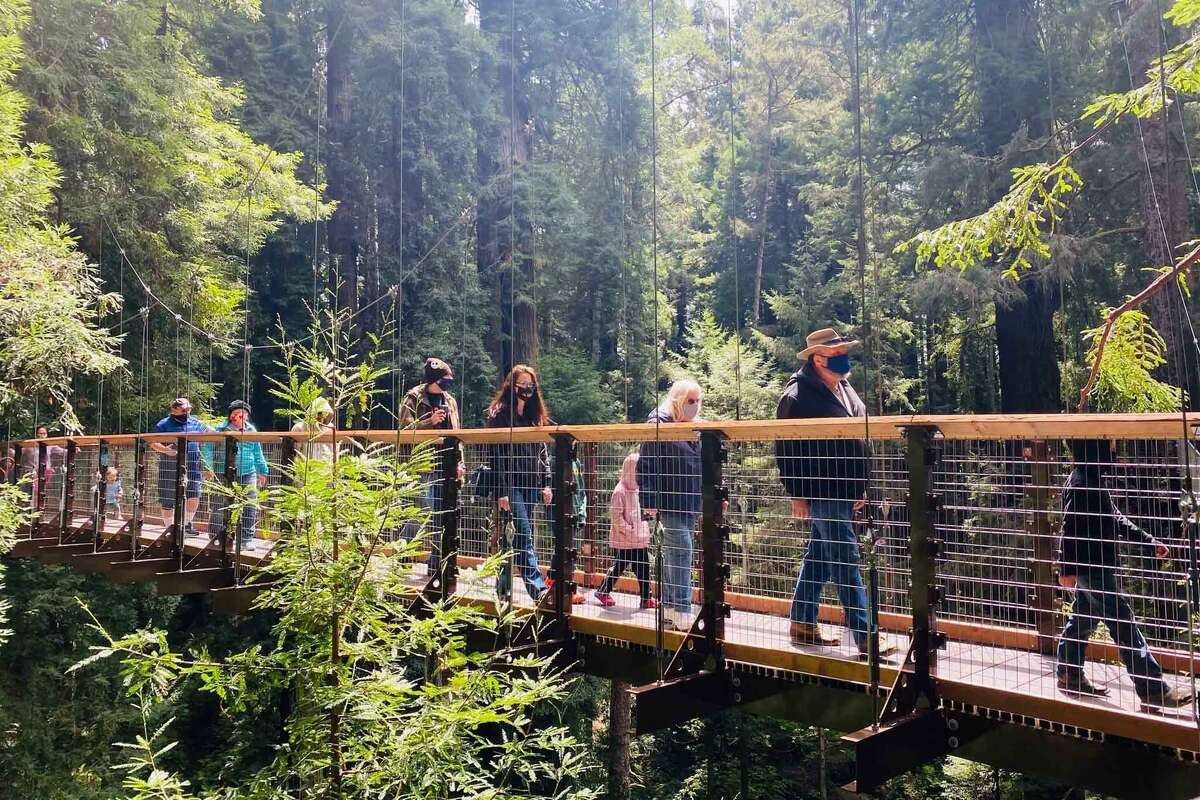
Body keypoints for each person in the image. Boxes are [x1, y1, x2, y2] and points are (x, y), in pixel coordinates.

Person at [775, 328, 895, 658]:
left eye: (844, 350)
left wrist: (863, 485)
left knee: (820, 556)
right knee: (844, 557)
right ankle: (866, 635)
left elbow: (862, 435)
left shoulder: (845, 388)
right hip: (821, 488)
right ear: (817, 358)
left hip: (846, 488)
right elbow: (785, 450)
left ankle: (801, 622)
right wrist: (796, 494)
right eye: (837, 352)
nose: (844, 357)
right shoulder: (796, 396)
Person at [1056, 439, 1193, 708]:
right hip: (1092, 567)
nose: (1114, 452)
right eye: (1109, 446)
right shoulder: (1083, 482)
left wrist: (1148, 541)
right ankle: (1153, 688)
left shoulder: (1090, 477)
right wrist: (1067, 569)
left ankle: (1069, 673)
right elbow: (1069, 525)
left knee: (1082, 619)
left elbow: (1114, 517)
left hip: (1095, 566)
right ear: (1095, 450)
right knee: (1123, 622)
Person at [637, 379, 703, 630]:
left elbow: (704, 462)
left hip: (690, 500)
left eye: (697, 401)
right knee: (682, 550)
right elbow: (647, 464)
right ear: (678, 399)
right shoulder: (658, 423)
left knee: (675, 552)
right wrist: (650, 501)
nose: (694, 406)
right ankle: (682, 609)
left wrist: (717, 495)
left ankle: (668, 607)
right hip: (668, 500)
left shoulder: (696, 427)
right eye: (690, 401)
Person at [486, 364, 552, 602]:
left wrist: (546, 482)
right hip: (510, 482)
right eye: (523, 384)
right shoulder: (500, 414)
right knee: (523, 533)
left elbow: (542, 450)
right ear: (511, 386)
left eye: (530, 384)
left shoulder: (535, 415)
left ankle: (502, 590)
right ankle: (539, 590)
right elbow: (495, 454)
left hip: (531, 482)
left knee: (510, 537)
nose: (527, 388)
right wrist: (502, 491)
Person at [399, 358, 466, 572]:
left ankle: (436, 566)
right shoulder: (413, 398)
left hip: (446, 464)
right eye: (445, 380)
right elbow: (404, 431)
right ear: (435, 379)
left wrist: (460, 462)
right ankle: (402, 556)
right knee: (421, 513)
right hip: (422, 465)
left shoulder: (451, 401)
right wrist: (430, 421)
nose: (448, 383)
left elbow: (457, 435)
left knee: (442, 516)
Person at [595, 452, 655, 609]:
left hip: (639, 539)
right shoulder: (619, 491)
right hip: (625, 539)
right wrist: (630, 530)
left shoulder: (639, 490)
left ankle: (646, 598)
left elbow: (641, 513)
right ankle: (602, 591)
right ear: (631, 470)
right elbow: (616, 518)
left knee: (643, 567)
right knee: (619, 566)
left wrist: (646, 523)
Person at [149, 398, 212, 533]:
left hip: (193, 466)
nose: (187, 412)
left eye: (189, 409)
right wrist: (166, 450)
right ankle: (170, 528)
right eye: (184, 410)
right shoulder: (163, 424)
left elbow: (213, 433)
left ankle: (186, 524)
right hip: (169, 466)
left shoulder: (196, 422)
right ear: (174, 410)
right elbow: (153, 442)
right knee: (168, 499)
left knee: (194, 494)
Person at [212, 400, 270, 548]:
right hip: (223, 471)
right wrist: (208, 468)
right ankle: (217, 536)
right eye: (236, 413)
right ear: (231, 415)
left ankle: (246, 540)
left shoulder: (251, 430)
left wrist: (262, 471)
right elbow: (207, 446)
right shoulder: (220, 429)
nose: (239, 417)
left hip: (248, 471)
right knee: (221, 504)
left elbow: (258, 452)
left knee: (250, 504)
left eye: (243, 414)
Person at [291, 396, 335, 465]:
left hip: (325, 469)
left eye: (324, 414)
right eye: (319, 413)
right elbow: (295, 453)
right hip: (306, 469)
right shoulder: (299, 428)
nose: (321, 417)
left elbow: (332, 451)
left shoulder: (330, 428)